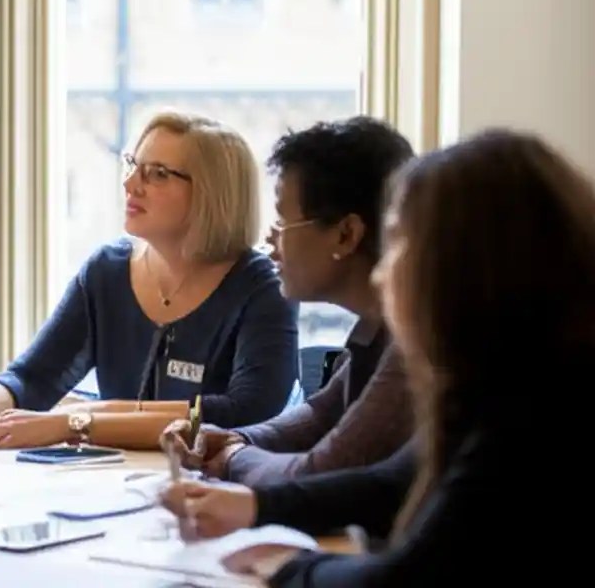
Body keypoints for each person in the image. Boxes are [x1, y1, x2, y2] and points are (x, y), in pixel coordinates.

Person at [161, 129, 593, 585]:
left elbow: (402, 577)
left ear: (465, 270)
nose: (385, 273)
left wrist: (290, 565)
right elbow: (389, 483)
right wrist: (255, 504)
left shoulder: (533, 414)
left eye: (402, 246)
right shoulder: (508, 380)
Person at [0, 111, 299, 449]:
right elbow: (33, 376)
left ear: (212, 194)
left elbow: (247, 411)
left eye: (157, 174)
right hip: (117, 482)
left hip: (218, 493)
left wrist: (77, 423)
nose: (131, 184)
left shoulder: (263, 286)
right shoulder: (108, 271)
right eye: (133, 165)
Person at [162, 117, 415, 484]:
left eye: (282, 221)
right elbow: (319, 416)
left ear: (346, 235)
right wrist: (240, 438)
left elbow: (323, 469)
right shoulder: (376, 326)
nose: (270, 239)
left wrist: (236, 457)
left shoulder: (414, 342)